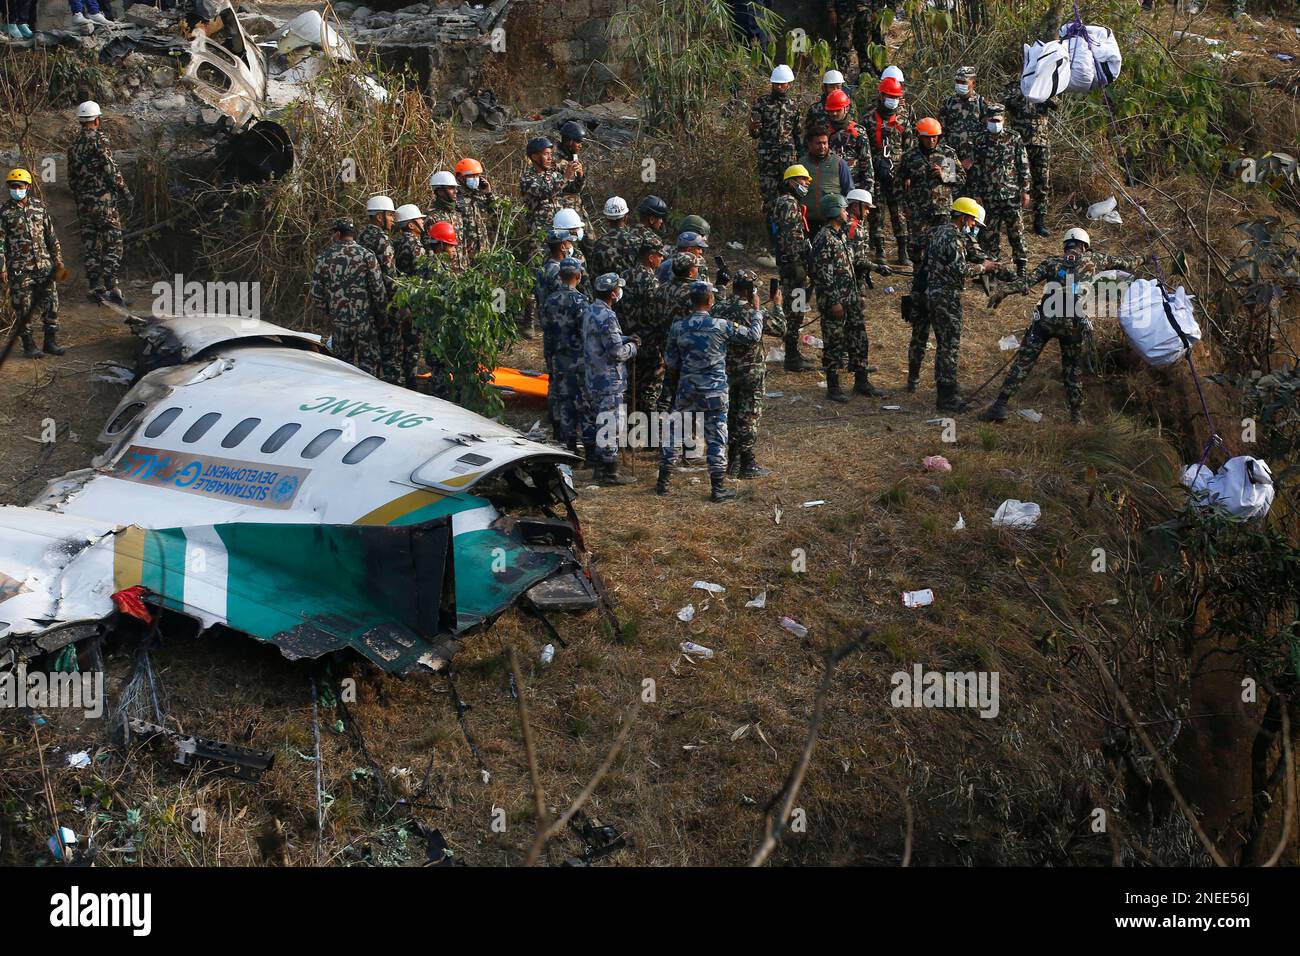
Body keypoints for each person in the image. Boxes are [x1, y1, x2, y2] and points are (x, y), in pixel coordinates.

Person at [981, 228, 1143, 425]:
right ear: (1085, 246)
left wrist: (1003, 291)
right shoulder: (1096, 261)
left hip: (1045, 323)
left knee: (1023, 362)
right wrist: (1146, 258)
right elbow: (1127, 262)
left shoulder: (1051, 263)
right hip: (1073, 326)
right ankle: (1076, 416)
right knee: (1072, 371)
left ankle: (1000, 405)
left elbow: (1026, 282)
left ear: (1065, 245)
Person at [656, 280, 762, 502]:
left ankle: (663, 482)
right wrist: (758, 312)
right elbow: (753, 336)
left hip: (686, 390)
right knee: (716, 438)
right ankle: (718, 487)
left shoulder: (678, 327)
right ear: (710, 300)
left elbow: (671, 363)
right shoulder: (721, 325)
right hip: (714, 391)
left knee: (674, 434)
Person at [922, 198, 999, 411]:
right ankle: (947, 398)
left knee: (944, 345)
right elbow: (960, 269)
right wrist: (983, 267)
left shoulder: (937, 232)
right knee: (949, 346)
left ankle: (948, 389)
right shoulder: (954, 237)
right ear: (964, 217)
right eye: (972, 221)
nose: (974, 225)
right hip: (947, 296)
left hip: (934, 293)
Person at [809, 193, 880, 401]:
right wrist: (834, 301)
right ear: (833, 211)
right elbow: (822, 274)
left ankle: (861, 381)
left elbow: (848, 268)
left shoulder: (839, 235)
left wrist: (857, 294)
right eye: (843, 209)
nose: (847, 212)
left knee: (859, 338)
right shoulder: (825, 238)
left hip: (850, 298)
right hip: (836, 301)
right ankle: (833, 387)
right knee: (834, 342)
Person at [722, 270, 785, 478]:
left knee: (731, 412)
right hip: (751, 371)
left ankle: (732, 458)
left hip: (727, 369)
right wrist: (777, 305)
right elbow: (780, 327)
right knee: (749, 415)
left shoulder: (719, 307)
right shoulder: (753, 311)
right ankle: (746, 460)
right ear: (749, 290)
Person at [67, 100, 130, 305]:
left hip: (84, 203)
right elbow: (110, 169)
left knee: (91, 244)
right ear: (97, 120)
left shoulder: (73, 144)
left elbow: (72, 178)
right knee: (114, 242)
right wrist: (125, 191)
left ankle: (95, 286)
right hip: (104, 201)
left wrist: (81, 198)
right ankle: (112, 285)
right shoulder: (99, 139)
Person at [310, 217, 387, 378]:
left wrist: (328, 314)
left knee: (342, 367)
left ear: (337, 234)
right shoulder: (367, 255)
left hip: (339, 324)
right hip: (364, 322)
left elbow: (317, 293)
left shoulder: (323, 258)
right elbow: (378, 290)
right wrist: (381, 316)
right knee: (370, 365)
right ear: (352, 233)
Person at [0, 168, 64, 358]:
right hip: (20, 269)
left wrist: (57, 259)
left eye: (19, 186)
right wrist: (2, 268)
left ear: (27, 186)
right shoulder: (4, 212)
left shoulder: (39, 207)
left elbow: (50, 236)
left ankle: (50, 342)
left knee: (52, 304)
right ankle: (29, 346)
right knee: (23, 308)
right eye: (12, 186)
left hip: (44, 266)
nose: (16, 189)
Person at [582, 273, 639, 485]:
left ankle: (599, 468)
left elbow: (601, 338)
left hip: (593, 377)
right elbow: (617, 352)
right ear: (613, 293)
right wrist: (632, 348)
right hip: (609, 380)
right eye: (618, 289)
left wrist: (625, 338)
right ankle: (610, 472)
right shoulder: (608, 316)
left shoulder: (591, 310)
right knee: (611, 424)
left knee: (600, 423)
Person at [968, 102, 1030, 277]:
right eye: (991, 119)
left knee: (1016, 231)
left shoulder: (1014, 138)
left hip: (1011, 194)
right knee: (988, 233)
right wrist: (976, 195)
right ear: (986, 119)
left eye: (998, 119)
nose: (994, 122)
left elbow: (1023, 165)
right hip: (989, 196)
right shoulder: (980, 140)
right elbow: (975, 169)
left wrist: (1025, 190)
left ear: (1004, 119)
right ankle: (991, 267)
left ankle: (1021, 265)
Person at [901, 116, 963, 269]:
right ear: (920, 137)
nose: (931, 141)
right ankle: (919, 284)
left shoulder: (948, 154)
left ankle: (938, 281)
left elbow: (962, 178)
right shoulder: (910, 156)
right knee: (917, 248)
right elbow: (898, 183)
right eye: (927, 138)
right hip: (918, 210)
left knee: (942, 246)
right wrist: (905, 205)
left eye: (935, 137)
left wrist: (945, 175)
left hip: (942, 210)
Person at [541, 257, 589, 452]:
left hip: (557, 358)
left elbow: (546, 331)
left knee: (563, 402)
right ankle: (589, 448)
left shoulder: (549, 300)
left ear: (560, 276)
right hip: (578, 359)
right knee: (583, 402)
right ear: (578, 276)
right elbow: (585, 332)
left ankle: (568, 445)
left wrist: (549, 358)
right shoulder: (581, 301)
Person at [618, 234, 668, 416]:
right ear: (650, 257)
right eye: (660, 256)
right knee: (649, 391)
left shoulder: (624, 276)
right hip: (647, 342)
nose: (662, 260)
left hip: (625, 339)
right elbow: (656, 314)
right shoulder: (652, 282)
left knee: (629, 388)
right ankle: (647, 438)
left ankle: (629, 431)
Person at [865, 75, 913, 265]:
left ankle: (903, 251)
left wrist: (907, 174)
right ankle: (880, 251)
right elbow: (864, 147)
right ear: (881, 96)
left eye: (896, 96)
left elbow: (909, 148)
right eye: (889, 96)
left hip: (898, 173)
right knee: (876, 212)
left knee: (898, 212)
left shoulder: (902, 119)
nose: (892, 100)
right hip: (876, 172)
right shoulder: (869, 118)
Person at [770, 164, 814, 372]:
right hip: (792, 266)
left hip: (793, 263)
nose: (806, 184)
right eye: (803, 180)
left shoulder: (790, 202)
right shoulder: (788, 202)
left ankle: (793, 352)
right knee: (795, 310)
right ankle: (792, 356)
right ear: (791, 181)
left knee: (797, 308)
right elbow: (789, 235)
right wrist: (797, 263)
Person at [357, 195, 400, 384]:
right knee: (389, 353)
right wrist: (397, 304)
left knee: (368, 352)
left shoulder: (361, 236)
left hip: (362, 303)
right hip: (383, 302)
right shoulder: (382, 239)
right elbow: (389, 275)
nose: (392, 220)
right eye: (390, 215)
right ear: (379, 217)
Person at [1003, 84, 1057, 237]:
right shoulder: (1013, 86)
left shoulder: (1046, 82)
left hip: (1041, 142)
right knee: (1015, 182)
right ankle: (1014, 220)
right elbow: (1004, 103)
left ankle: (1039, 221)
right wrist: (1023, 91)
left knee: (1042, 182)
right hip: (1019, 142)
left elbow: (1055, 104)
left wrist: (1041, 90)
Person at [749, 65, 803, 210]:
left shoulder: (794, 106)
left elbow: (798, 134)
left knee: (791, 199)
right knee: (769, 200)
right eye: (776, 84)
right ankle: (771, 230)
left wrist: (801, 159)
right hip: (768, 160)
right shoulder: (762, 103)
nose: (779, 87)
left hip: (788, 160)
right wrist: (753, 129)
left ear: (788, 84)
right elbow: (755, 133)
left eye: (782, 84)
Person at [800, 125, 853, 234]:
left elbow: (849, 191)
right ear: (809, 144)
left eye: (825, 143)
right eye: (818, 143)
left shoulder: (839, 163)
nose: (823, 146)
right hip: (807, 222)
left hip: (832, 222)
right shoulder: (801, 164)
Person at [555, 120, 593, 258]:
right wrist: (567, 175)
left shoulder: (572, 158)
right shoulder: (556, 161)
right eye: (578, 142)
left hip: (579, 210)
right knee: (573, 252)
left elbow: (577, 189)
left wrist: (581, 175)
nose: (580, 145)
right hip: (567, 215)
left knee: (590, 246)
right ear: (569, 141)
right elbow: (558, 188)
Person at [824, 89, 874, 195]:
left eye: (837, 110)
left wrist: (867, 193)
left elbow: (867, 164)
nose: (834, 113)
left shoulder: (857, 132)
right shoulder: (822, 131)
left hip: (853, 187)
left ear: (846, 108)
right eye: (831, 110)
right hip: (829, 187)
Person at [938, 66, 985, 168]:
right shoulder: (948, 103)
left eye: (963, 82)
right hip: (951, 160)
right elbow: (941, 131)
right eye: (957, 81)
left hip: (975, 162)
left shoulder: (982, 104)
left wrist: (973, 157)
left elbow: (988, 135)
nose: (959, 85)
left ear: (973, 83)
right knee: (950, 183)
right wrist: (948, 156)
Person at [827, 1, 884, 83]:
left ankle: (865, 77)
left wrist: (875, 9)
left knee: (865, 45)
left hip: (865, 8)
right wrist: (831, 9)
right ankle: (840, 78)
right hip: (845, 10)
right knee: (844, 45)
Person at [453, 158, 493, 259]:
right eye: (471, 176)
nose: (475, 178)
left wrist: (489, 194)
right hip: (465, 253)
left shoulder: (481, 194)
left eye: (477, 175)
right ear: (460, 177)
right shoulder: (454, 197)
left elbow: (497, 214)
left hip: (484, 251)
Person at [590, 195, 632, 277]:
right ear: (625, 217)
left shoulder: (599, 244)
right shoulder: (635, 241)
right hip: (631, 288)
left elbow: (595, 274)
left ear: (606, 219)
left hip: (607, 288)